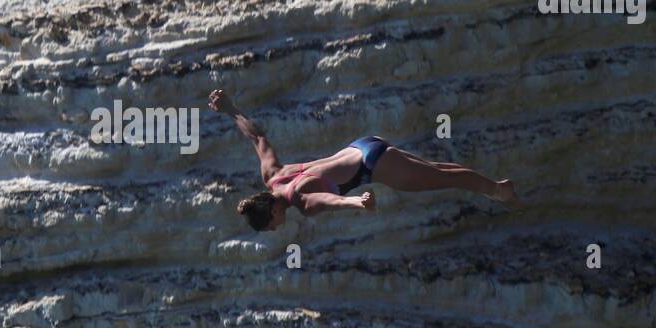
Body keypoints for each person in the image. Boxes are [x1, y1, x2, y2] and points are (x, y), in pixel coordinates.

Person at [208, 89, 522, 231]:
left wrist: (359, 203)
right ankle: (496, 190)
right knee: (439, 171)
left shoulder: (300, 202)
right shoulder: (273, 175)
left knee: (444, 179)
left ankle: (500, 191)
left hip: (374, 164)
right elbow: (258, 138)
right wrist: (231, 109)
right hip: (362, 145)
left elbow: (329, 200)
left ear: (275, 210)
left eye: (272, 225)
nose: (277, 228)